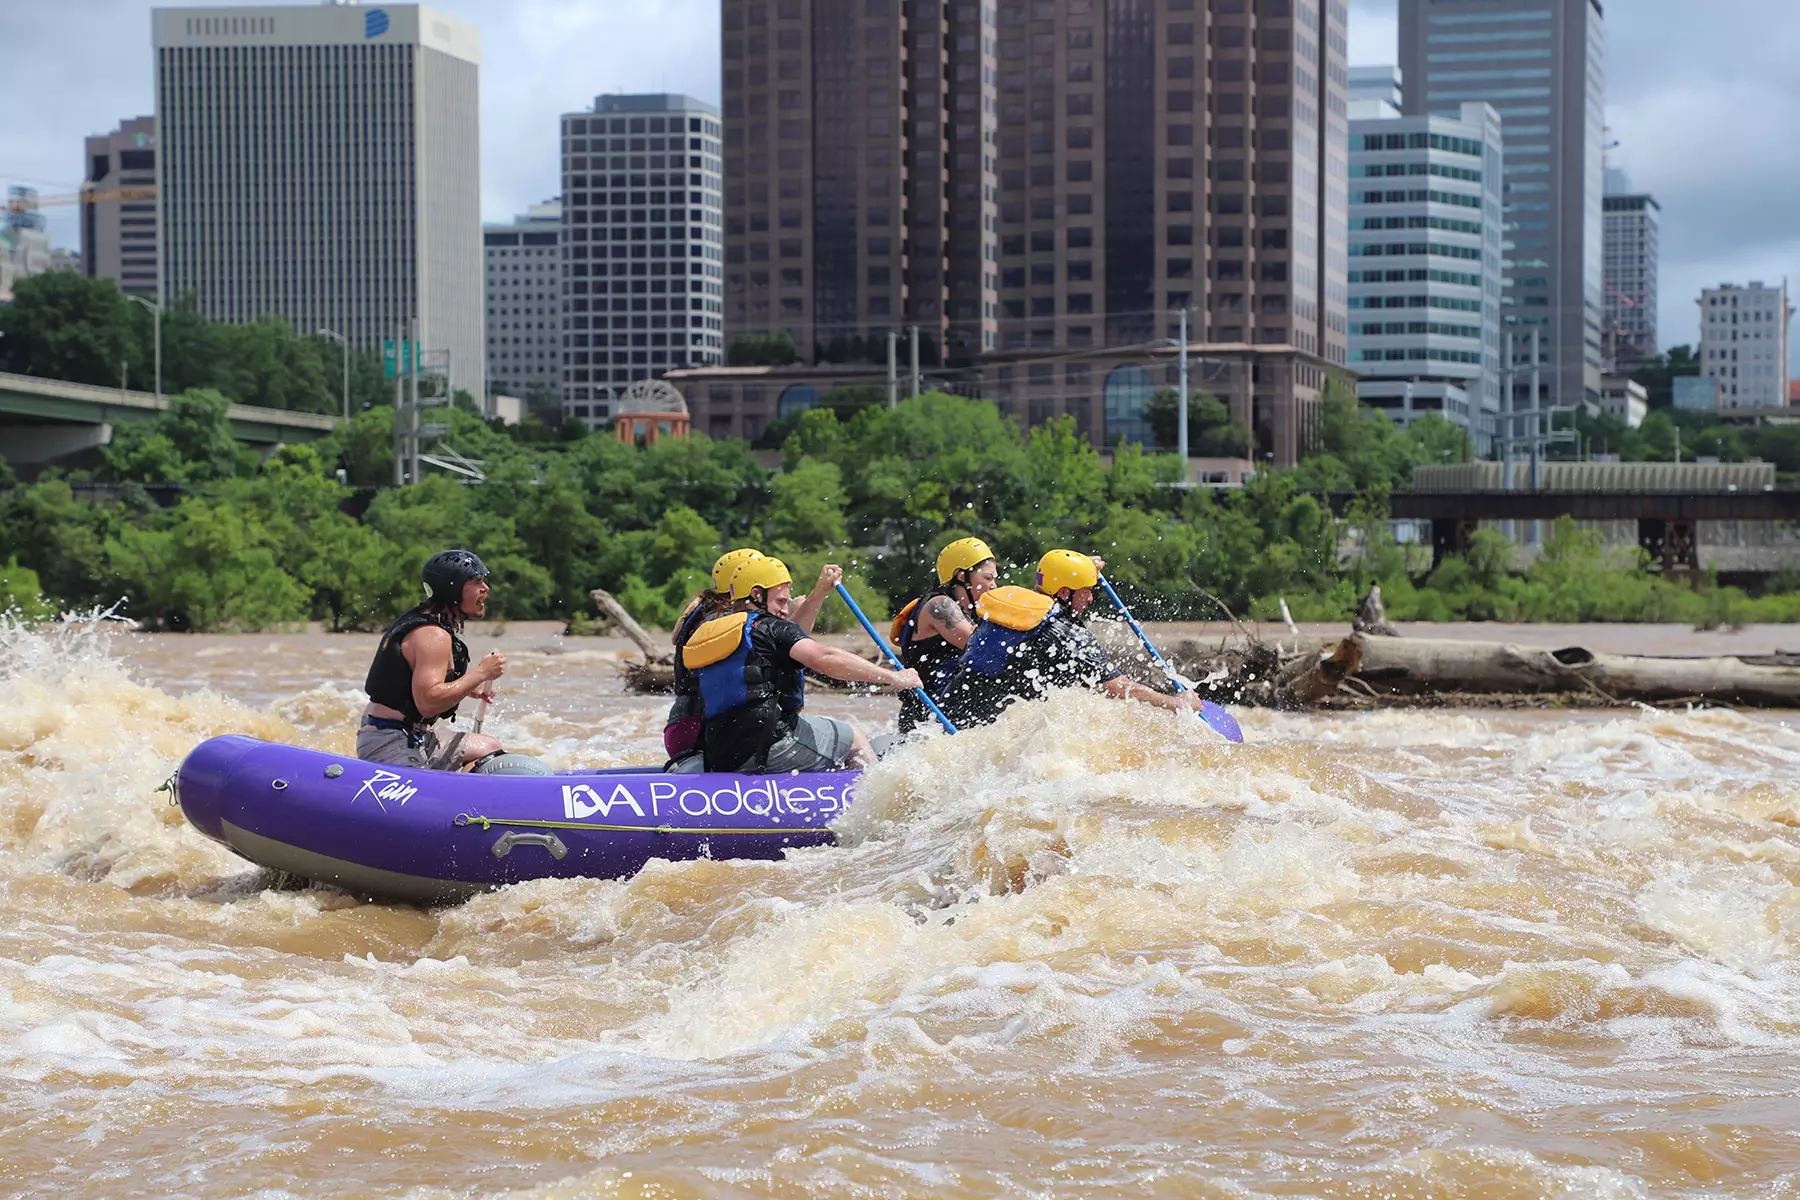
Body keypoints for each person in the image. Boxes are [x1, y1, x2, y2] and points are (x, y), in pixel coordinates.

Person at [677, 556, 921, 773]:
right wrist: (895, 678)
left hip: (720, 753)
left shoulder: (713, 631)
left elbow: (783, 646)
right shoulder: (769, 627)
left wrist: (819, 592)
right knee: (854, 737)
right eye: (781, 601)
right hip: (770, 746)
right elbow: (825, 658)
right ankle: (871, 805)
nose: (785, 610)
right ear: (756, 594)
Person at [939, 549, 1201, 728]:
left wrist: (1081, 569)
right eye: (1086, 591)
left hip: (949, 715)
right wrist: (1176, 703)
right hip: (984, 728)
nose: (1090, 599)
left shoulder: (1014, 606)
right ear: (1064, 591)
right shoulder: (1065, 634)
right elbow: (1118, 688)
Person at [665, 550, 846, 763]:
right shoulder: (731, 621)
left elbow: (785, 641)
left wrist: (814, 597)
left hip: (682, 729)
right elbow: (784, 642)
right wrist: (805, 604)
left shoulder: (712, 616)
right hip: (704, 733)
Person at [358, 549, 509, 771]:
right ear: (454, 588)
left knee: (489, 747)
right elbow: (428, 703)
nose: (485, 588)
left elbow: (412, 683)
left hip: (416, 735)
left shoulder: (432, 625)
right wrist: (481, 673)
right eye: (477, 581)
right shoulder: (432, 634)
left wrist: (468, 688)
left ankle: (474, 796)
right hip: (389, 740)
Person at [889, 536, 999, 733]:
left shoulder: (972, 614)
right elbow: (980, 647)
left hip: (951, 716)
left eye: (995, 579)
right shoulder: (940, 605)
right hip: (925, 722)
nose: (994, 586)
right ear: (961, 576)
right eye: (988, 578)